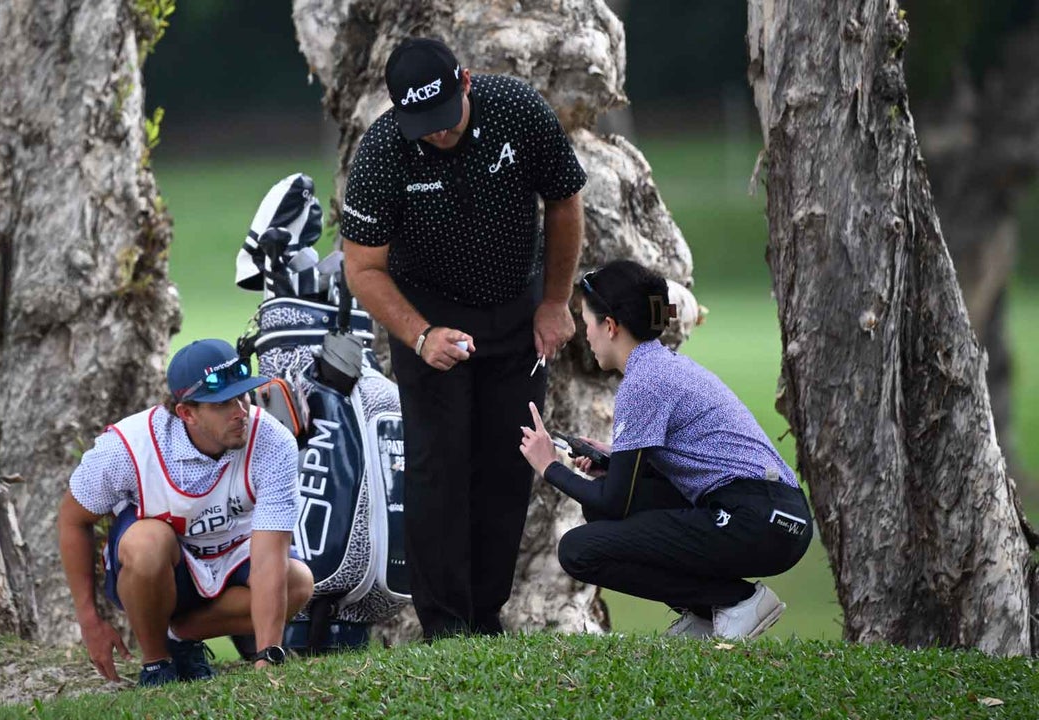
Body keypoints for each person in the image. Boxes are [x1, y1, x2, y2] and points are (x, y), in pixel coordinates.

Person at [339, 37, 587, 639]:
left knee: (510, 461)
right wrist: (421, 336)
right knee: (437, 466)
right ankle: (445, 623)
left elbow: (564, 201)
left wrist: (555, 303)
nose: (438, 135)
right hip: (427, 313)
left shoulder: (518, 111)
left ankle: (485, 615)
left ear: (467, 82)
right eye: (422, 126)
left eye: (445, 120)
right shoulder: (381, 153)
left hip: (516, 306)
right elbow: (362, 269)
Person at [518, 260, 813, 639]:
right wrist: (614, 458)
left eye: (587, 322)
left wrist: (548, 466)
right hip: (769, 514)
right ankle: (708, 613)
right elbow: (663, 474)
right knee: (599, 506)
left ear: (610, 326)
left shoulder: (644, 381)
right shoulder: (660, 365)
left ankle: (736, 600)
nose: (585, 334)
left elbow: (614, 503)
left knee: (578, 550)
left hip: (761, 519)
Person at [58, 339, 314, 686]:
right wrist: (89, 621)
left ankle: (181, 637)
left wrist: (267, 655)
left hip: (232, 552)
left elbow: (270, 556)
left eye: (243, 396)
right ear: (187, 413)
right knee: (147, 542)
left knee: (298, 583)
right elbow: (73, 520)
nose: (241, 410)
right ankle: (156, 662)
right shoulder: (128, 445)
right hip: (162, 566)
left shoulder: (273, 440)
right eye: (223, 404)